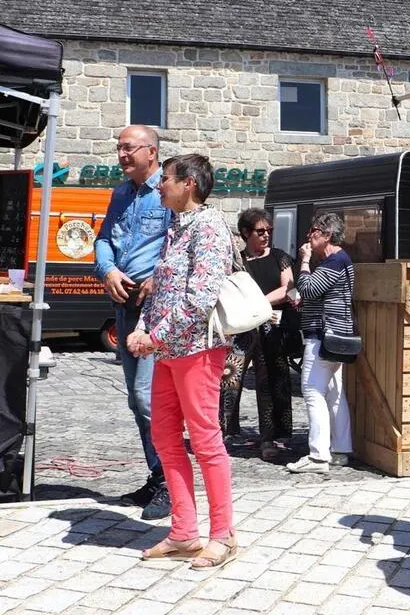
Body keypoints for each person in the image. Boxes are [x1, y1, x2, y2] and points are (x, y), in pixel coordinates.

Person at [128, 154, 237, 568]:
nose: (160, 186)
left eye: (166, 179)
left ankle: (223, 535)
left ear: (188, 183)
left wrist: (153, 337)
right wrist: (143, 329)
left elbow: (200, 299)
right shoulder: (175, 227)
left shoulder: (209, 226)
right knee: (165, 438)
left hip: (197, 351)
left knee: (206, 440)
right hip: (168, 351)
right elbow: (159, 291)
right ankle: (184, 532)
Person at [94, 125, 172, 520]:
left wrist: (160, 275)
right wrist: (107, 269)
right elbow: (103, 239)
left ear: (151, 152)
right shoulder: (121, 193)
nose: (122, 154)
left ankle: (171, 483)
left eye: (128, 148)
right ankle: (158, 475)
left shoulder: (169, 190)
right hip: (125, 306)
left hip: (154, 308)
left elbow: (180, 242)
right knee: (136, 398)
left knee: (146, 396)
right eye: (119, 148)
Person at [220, 208, 296, 461]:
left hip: (270, 327)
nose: (266, 236)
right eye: (260, 231)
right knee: (229, 378)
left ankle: (269, 437)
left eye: (269, 231)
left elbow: (289, 289)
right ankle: (225, 432)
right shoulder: (237, 261)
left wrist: (259, 303)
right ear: (245, 233)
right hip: (242, 328)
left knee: (268, 383)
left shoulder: (279, 257)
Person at [286, 212, 355, 474]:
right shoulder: (339, 261)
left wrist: (304, 261)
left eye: (313, 231)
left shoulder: (334, 261)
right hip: (338, 335)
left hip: (324, 336)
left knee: (312, 390)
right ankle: (340, 450)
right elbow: (321, 293)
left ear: (327, 235)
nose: (308, 236)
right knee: (335, 393)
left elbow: (308, 288)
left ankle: (317, 456)